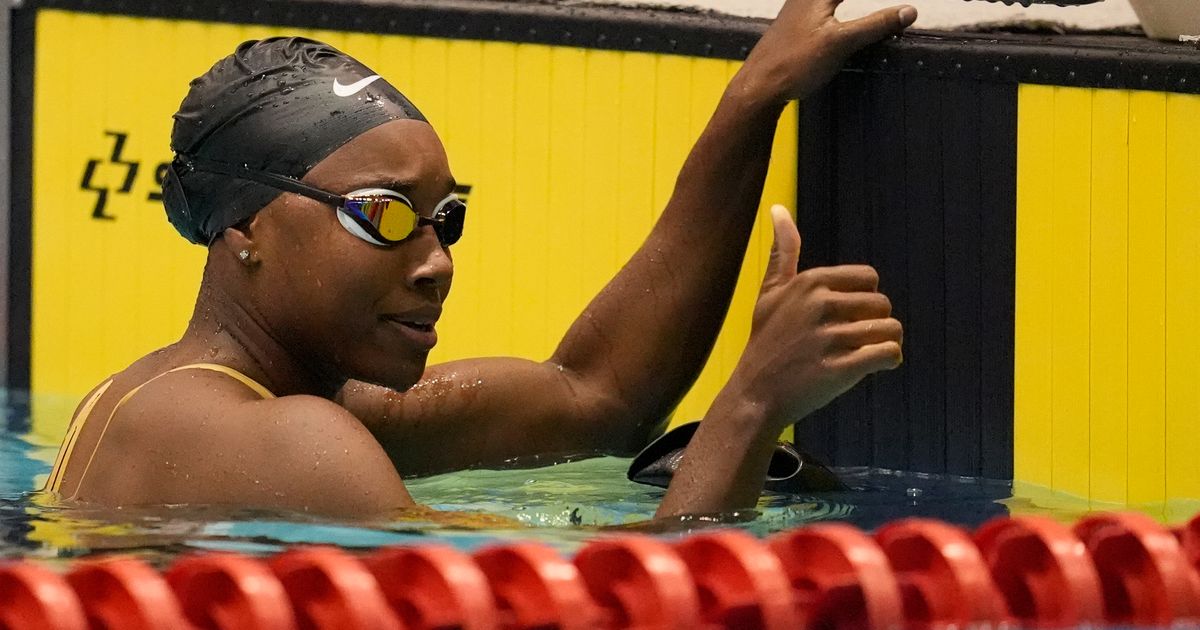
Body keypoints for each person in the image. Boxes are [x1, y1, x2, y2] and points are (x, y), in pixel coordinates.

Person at [44, 0, 912, 519]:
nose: (434, 261)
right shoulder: (281, 438)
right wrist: (754, 401)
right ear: (246, 233)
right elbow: (610, 608)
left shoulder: (226, 398)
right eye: (382, 216)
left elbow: (599, 398)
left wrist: (753, 99)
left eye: (445, 219)